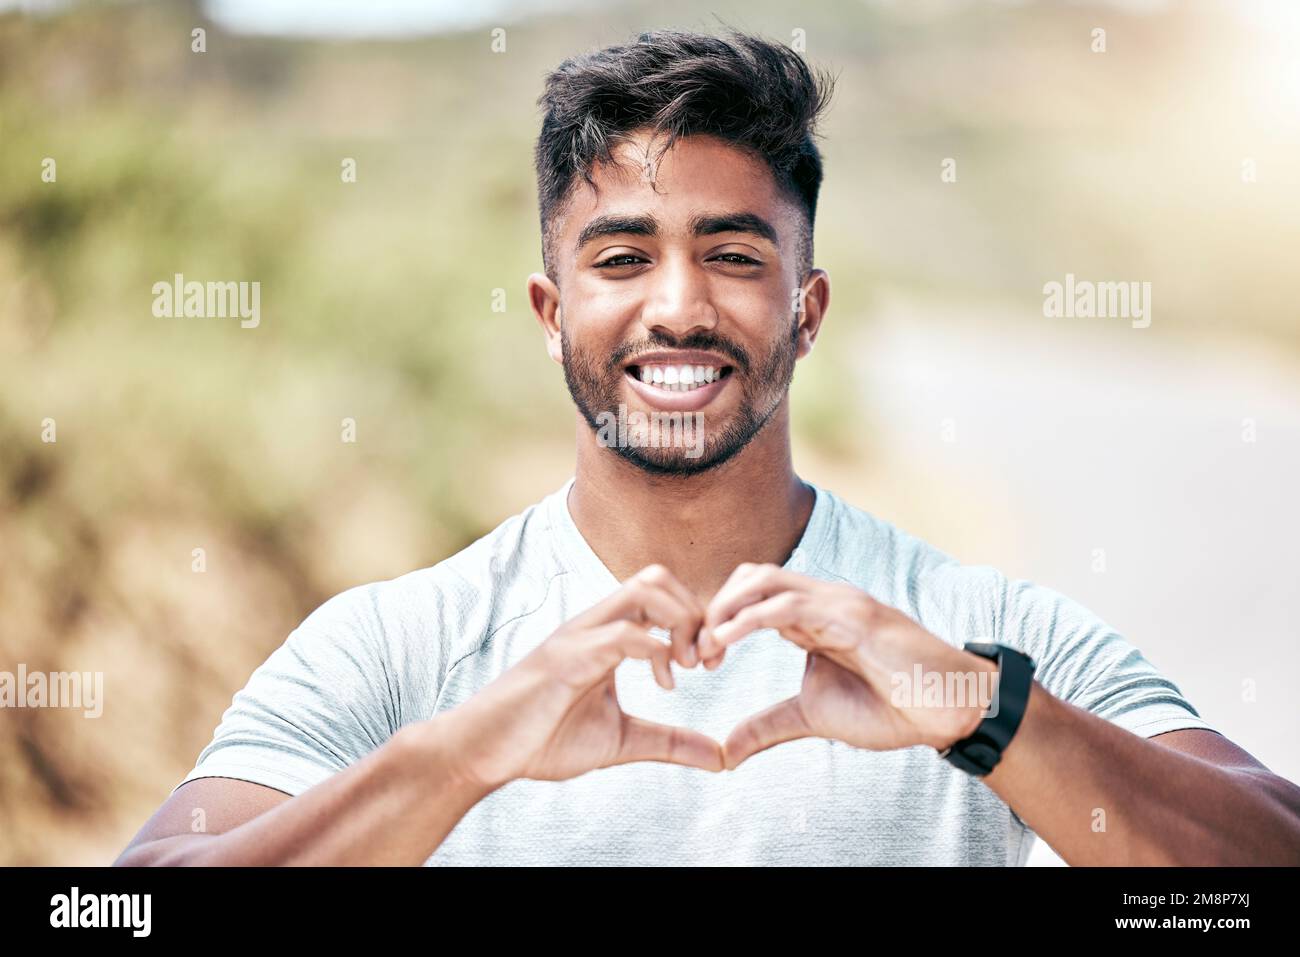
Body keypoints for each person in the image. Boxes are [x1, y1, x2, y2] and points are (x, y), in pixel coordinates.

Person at [117, 29, 1300, 866]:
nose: (676, 307)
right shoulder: (395, 650)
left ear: (808, 308)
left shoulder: (976, 633)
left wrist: (983, 712)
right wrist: (453, 761)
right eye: (622, 258)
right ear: (549, 314)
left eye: (734, 255)